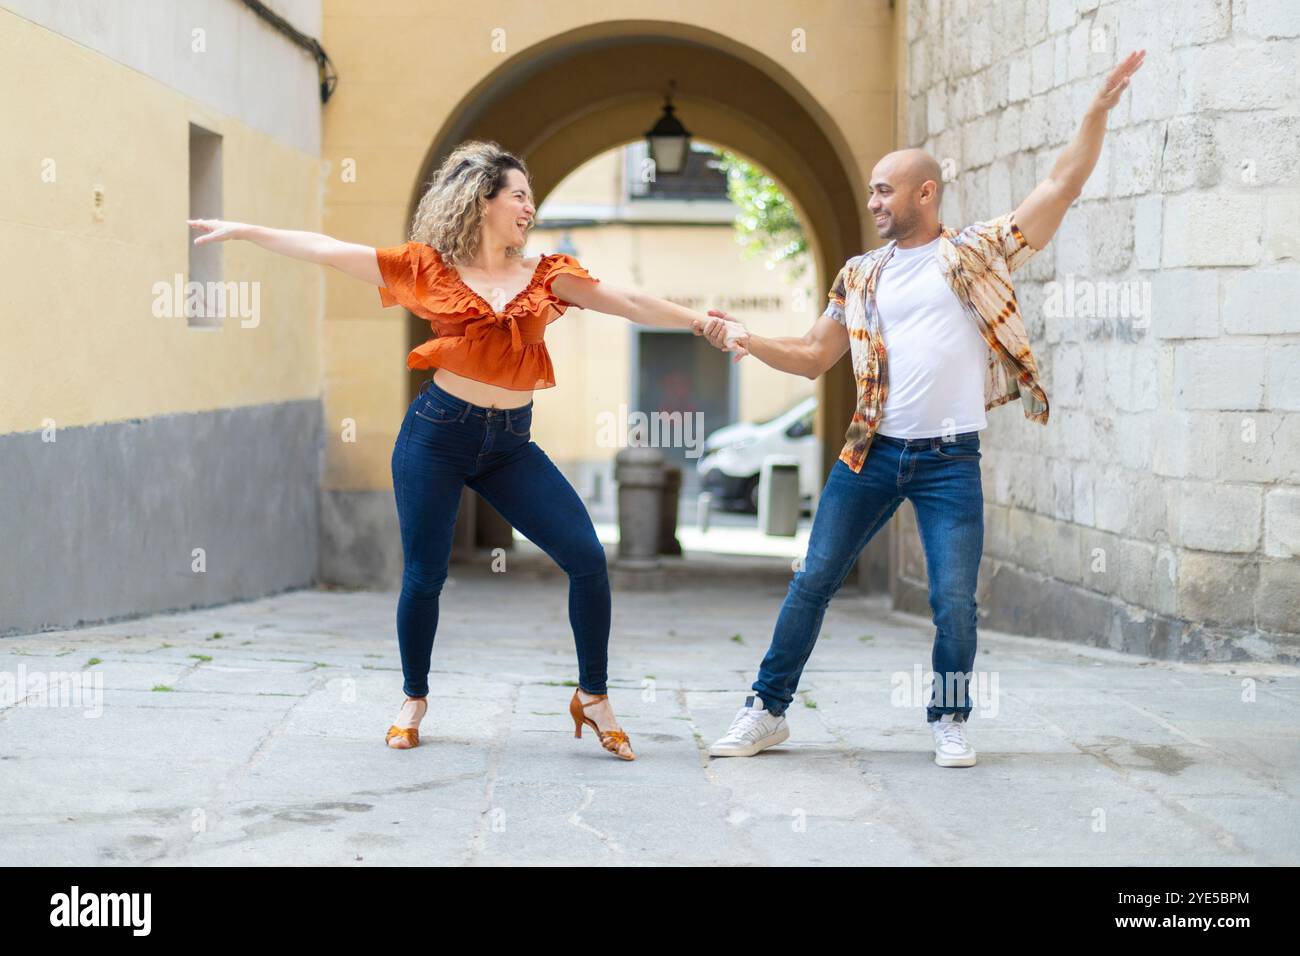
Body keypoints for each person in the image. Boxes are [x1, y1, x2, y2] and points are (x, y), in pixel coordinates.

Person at [188, 139, 717, 759]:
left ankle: (593, 697)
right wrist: (248, 230)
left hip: (510, 447)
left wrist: (702, 323)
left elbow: (626, 301)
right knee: (425, 575)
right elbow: (331, 252)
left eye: (530, 197)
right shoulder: (428, 269)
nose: (529, 206)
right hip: (436, 436)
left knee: (585, 557)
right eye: (519, 194)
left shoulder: (549, 275)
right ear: (484, 200)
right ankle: (413, 698)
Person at [696, 51, 1146, 767]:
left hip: (948, 460)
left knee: (954, 601)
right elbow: (815, 356)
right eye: (873, 193)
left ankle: (950, 717)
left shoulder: (975, 254)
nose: (873, 203)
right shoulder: (861, 275)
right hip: (870, 450)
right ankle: (766, 710)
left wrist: (1094, 114)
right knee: (813, 579)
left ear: (925, 193)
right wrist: (749, 340)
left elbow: (1061, 185)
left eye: (883, 192)